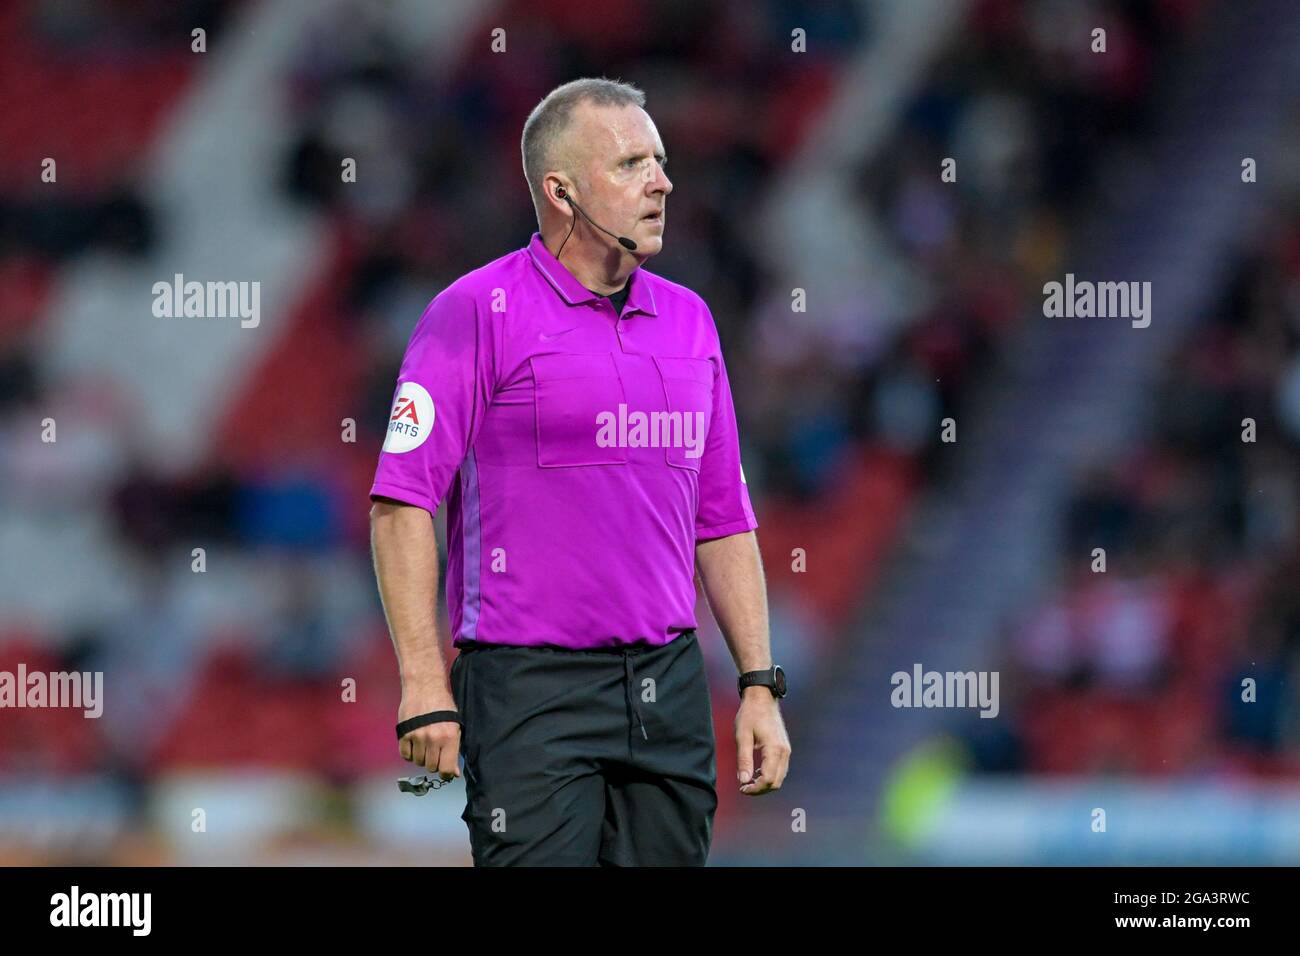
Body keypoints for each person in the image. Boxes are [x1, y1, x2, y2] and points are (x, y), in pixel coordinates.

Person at [369, 77, 789, 866]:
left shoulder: (692, 321)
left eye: (660, 161)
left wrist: (760, 684)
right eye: (632, 163)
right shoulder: (473, 312)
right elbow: (402, 499)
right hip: (529, 688)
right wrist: (423, 680)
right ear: (561, 191)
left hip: (669, 686)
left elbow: (723, 515)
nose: (662, 181)